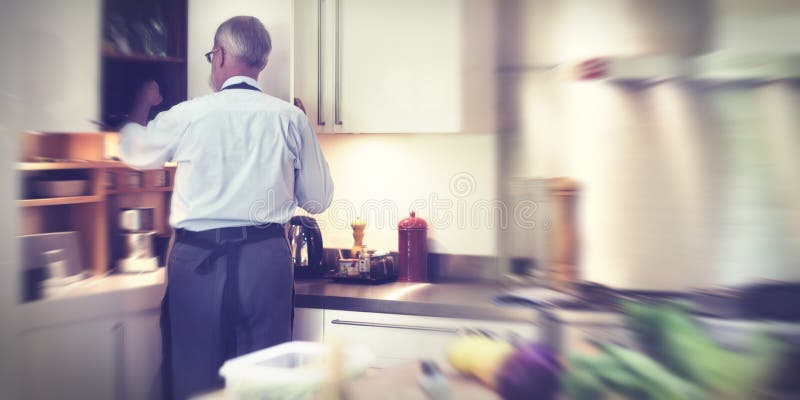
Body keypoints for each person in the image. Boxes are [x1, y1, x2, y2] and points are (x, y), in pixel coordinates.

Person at [119, 16, 333, 399]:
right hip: (265, 262)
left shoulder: (189, 114)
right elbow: (317, 200)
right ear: (262, 64)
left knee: (194, 383)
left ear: (219, 56)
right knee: (266, 384)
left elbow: (133, 151)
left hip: (197, 262)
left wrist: (141, 102)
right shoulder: (290, 118)